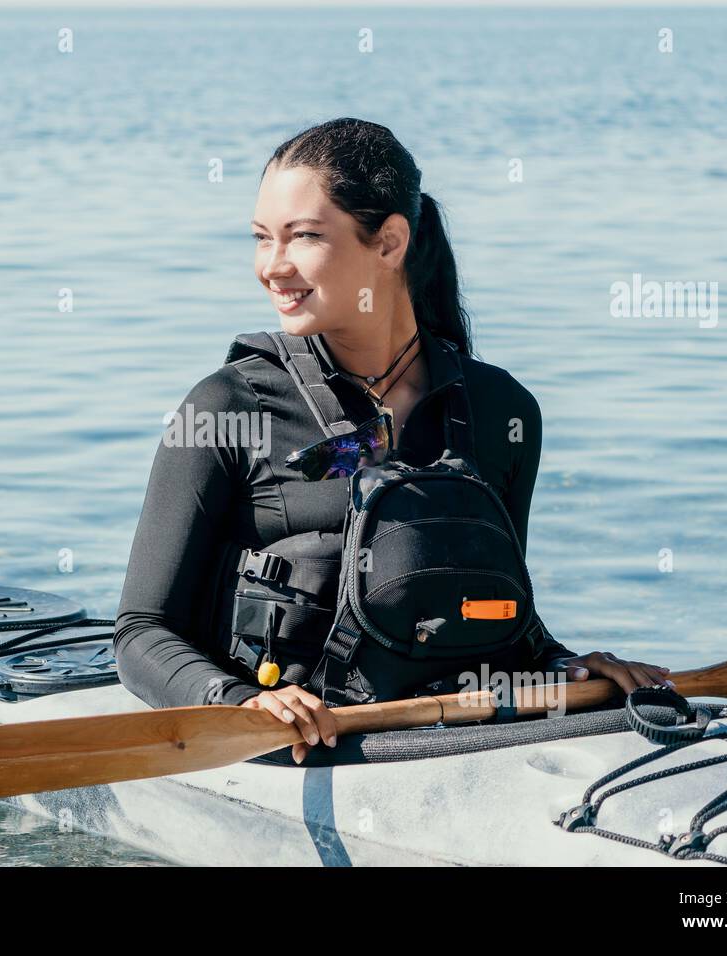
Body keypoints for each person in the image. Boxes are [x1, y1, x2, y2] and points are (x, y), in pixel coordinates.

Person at [115, 118, 670, 763]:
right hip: (294, 751)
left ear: (390, 243)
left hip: (458, 746)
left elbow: (490, 607)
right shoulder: (226, 407)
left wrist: (565, 665)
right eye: (262, 239)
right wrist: (238, 702)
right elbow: (140, 633)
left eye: (305, 238)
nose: (272, 267)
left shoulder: (502, 411)